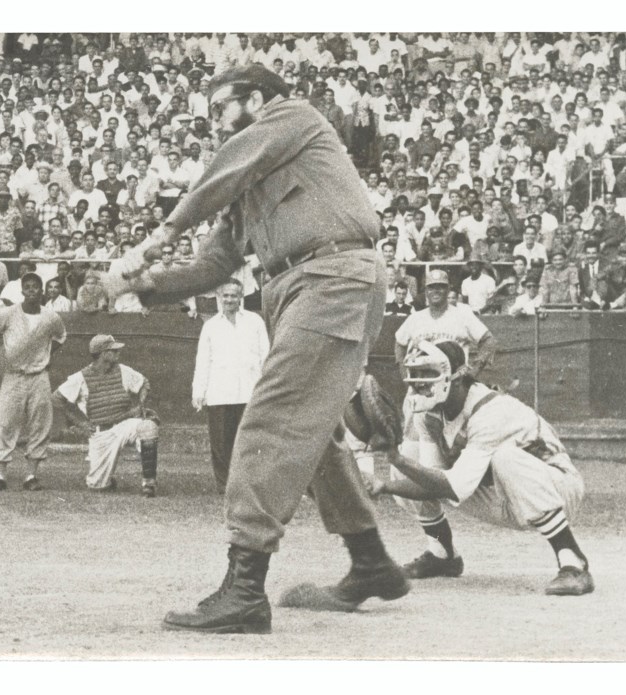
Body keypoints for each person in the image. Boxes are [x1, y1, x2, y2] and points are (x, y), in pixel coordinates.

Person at [104, 65, 409, 634]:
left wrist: (157, 237)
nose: (216, 121)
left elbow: (228, 166)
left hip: (333, 276)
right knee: (311, 432)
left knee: (268, 423)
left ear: (259, 98)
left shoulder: (291, 116)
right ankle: (370, 562)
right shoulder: (248, 180)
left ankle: (244, 591)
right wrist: (145, 285)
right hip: (297, 287)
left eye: (222, 106)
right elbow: (218, 264)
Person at [368, 339, 594, 596]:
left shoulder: (490, 410)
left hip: (557, 489)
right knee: (411, 459)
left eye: (428, 373)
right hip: (501, 493)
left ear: (457, 376)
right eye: (416, 374)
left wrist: (397, 460)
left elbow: (456, 487)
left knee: (504, 458)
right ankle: (443, 554)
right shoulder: (428, 412)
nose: (420, 382)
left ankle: (573, 563)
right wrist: (383, 484)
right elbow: (433, 481)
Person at [0, 273, 67, 492]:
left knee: (40, 424)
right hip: (14, 376)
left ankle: (31, 475)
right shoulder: (9, 314)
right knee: (6, 422)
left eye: (35, 287)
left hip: (39, 376)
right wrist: (0, 354)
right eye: (27, 287)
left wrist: (46, 356)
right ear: (22, 291)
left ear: (42, 291)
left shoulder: (50, 317)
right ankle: (0, 475)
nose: (31, 291)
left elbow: (61, 337)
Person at [53, 335, 160, 497]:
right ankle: (107, 481)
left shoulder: (122, 370)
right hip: (101, 432)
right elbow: (55, 399)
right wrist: (79, 423)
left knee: (148, 427)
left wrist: (141, 405)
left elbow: (144, 383)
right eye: (113, 350)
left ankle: (149, 483)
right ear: (103, 354)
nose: (118, 352)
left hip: (125, 424)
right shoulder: (81, 377)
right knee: (97, 487)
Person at [191, 279, 269, 492]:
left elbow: (266, 357)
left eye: (233, 295)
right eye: (225, 295)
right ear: (219, 297)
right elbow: (203, 361)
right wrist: (199, 391)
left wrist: (266, 390)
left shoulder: (255, 322)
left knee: (248, 441)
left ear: (241, 297)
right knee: (221, 444)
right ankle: (224, 486)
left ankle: (247, 483)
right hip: (219, 393)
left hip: (249, 392)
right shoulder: (210, 326)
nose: (229, 299)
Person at [395, 269, 496, 379]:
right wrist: (404, 372)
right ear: (426, 291)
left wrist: (474, 369)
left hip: (454, 383)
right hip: (421, 383)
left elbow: (488, 340)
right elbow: (400, 343)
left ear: (448, 290)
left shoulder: (463, 316)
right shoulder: (415, 318)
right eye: (431, 287)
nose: (436, 291)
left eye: (441, 287)